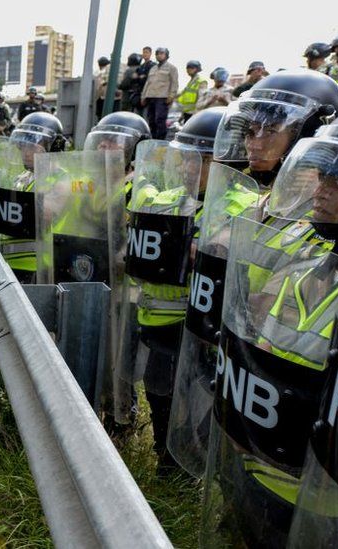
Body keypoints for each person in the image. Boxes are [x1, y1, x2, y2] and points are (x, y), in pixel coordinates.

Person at [202, 121, 338, 548]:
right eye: (322, 177)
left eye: (337, 183)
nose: (320, 191)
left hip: (319, 504)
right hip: (256, 464)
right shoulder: (304, 269)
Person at [126, 108, 224, 473]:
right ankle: (164, 459)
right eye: (184, 159)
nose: (187, 168)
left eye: (202, 160)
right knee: (159, 395)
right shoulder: (169, 197)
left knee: (197, 404)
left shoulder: (236, 206)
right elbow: (140, 207)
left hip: (200, 329)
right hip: (156, 320)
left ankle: (183, 472)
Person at [0, 112, 66, 283]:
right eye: (23, 146)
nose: (26, 153)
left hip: (38, 267)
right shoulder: (22, 177)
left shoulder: (62, 179)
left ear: (53, 147)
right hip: (10, 262)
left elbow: (44, 216)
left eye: (33, 147)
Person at [141, 47, 178, 140]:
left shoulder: (171, 68)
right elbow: (147, 83)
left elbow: (174, 83)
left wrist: (171, 95)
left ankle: (160, 140)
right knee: (151, 120)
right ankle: (153, 138)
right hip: (150, 97)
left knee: (160, 120)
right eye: (157, 53)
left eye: (162, 53)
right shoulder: (153, 68)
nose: (159, 55)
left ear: (166, 55)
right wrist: (143, 96)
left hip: (162, 97)